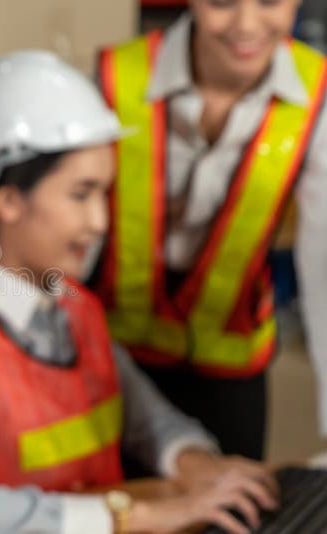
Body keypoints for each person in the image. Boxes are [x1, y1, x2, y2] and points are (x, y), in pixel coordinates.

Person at [0, 51, 279, 534]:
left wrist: (199, 466)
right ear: (9, 200)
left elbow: (150, 422)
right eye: (80, 194)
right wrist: (136, 518)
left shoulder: (76, 309)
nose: (99, 221)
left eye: (104, 193)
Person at [94, 0, 327, 460]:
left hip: (231, 366)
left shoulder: (317, 94)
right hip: (113, 356)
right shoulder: (115, 77)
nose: (246, 25)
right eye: (222, 1)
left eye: (269, 1)